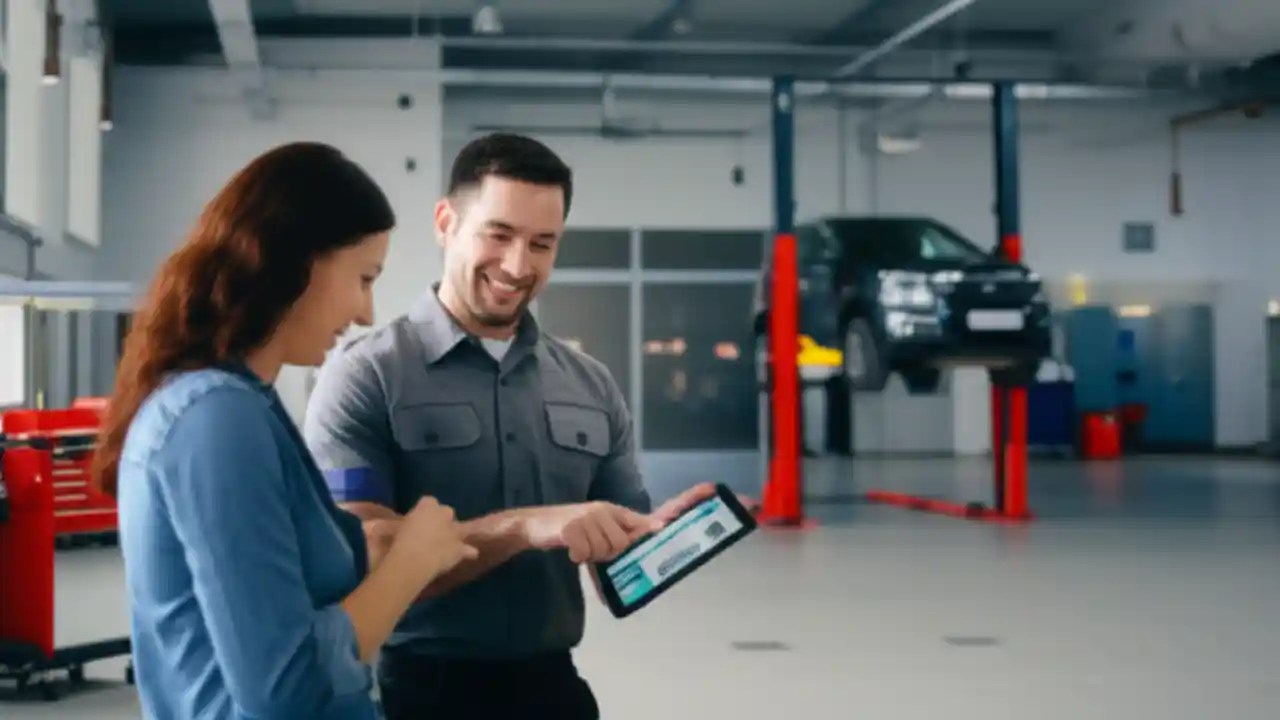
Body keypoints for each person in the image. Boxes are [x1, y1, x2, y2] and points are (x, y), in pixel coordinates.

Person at [303, 132, 715, 719]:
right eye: (498, 235)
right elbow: (363, 558)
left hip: (555, 692)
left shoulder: (591, 384)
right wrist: (524, 527)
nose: (518, 265)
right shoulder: (366, 375)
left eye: (542, 244)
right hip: (418, 694)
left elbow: (618, 577)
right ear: (445, 222)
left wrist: (661, 540)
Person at [93, 142, 479, 720]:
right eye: (364, 278)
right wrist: (412, 563)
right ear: (295, 261)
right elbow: (284, 688)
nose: (366, 313)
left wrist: (372, 545)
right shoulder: (217, 420)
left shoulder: (244, 404)